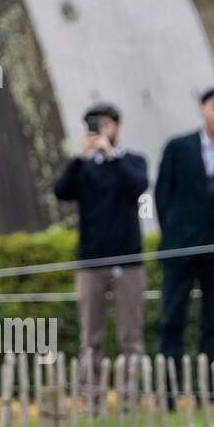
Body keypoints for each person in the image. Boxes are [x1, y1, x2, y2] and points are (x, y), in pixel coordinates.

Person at [153, 86, 214, 372]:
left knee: (213, 323)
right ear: (202, 110)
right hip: (179, 249)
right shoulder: (178, 148)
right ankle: (169, 390)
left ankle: (207, 391)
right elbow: (162, 196)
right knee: (171, 320)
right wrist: (173, 233)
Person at [53, 102, 148, 367]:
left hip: (127, 261)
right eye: (96, 125)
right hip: (90, 261)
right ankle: (91, 400)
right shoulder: (83, 167)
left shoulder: (131, 161)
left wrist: (112, 155)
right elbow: (61, 191)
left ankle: (131, 399)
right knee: (90, 338)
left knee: (130, 336)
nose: (101, 131)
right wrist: (79, 158)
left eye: (106, 124)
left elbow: (138, 185)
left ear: (117, 126)